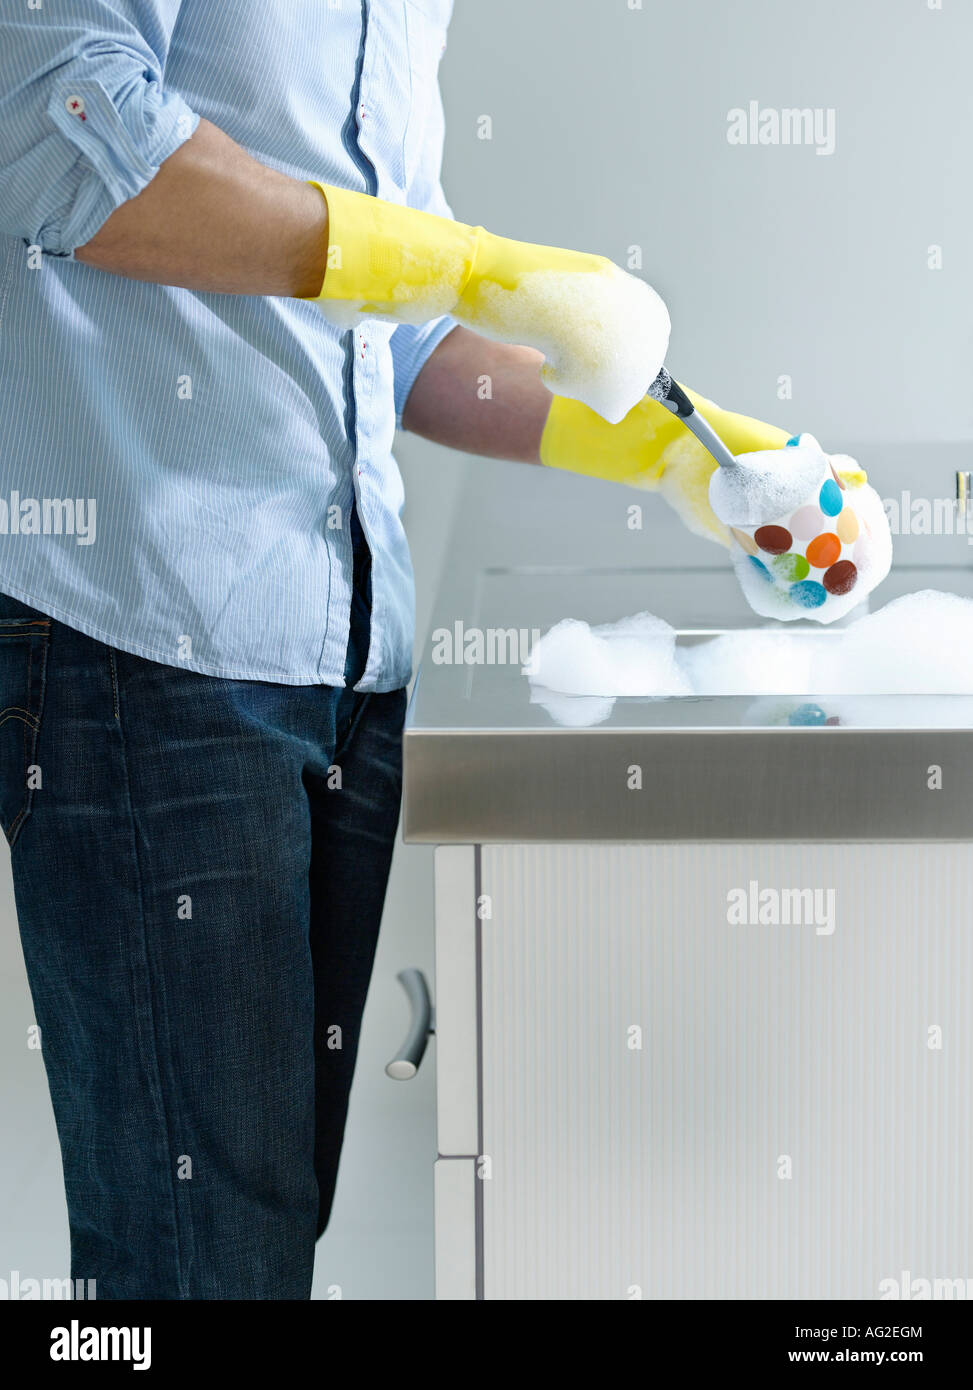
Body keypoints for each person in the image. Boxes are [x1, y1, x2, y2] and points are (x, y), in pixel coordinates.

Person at [0, 1, 789, 1299]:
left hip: (338, 647)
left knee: (259, 1217)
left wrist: (670, 448)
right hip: (141, 624)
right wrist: (462, 260)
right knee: (194, 1255)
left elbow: (396, 327)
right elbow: (50, 121)